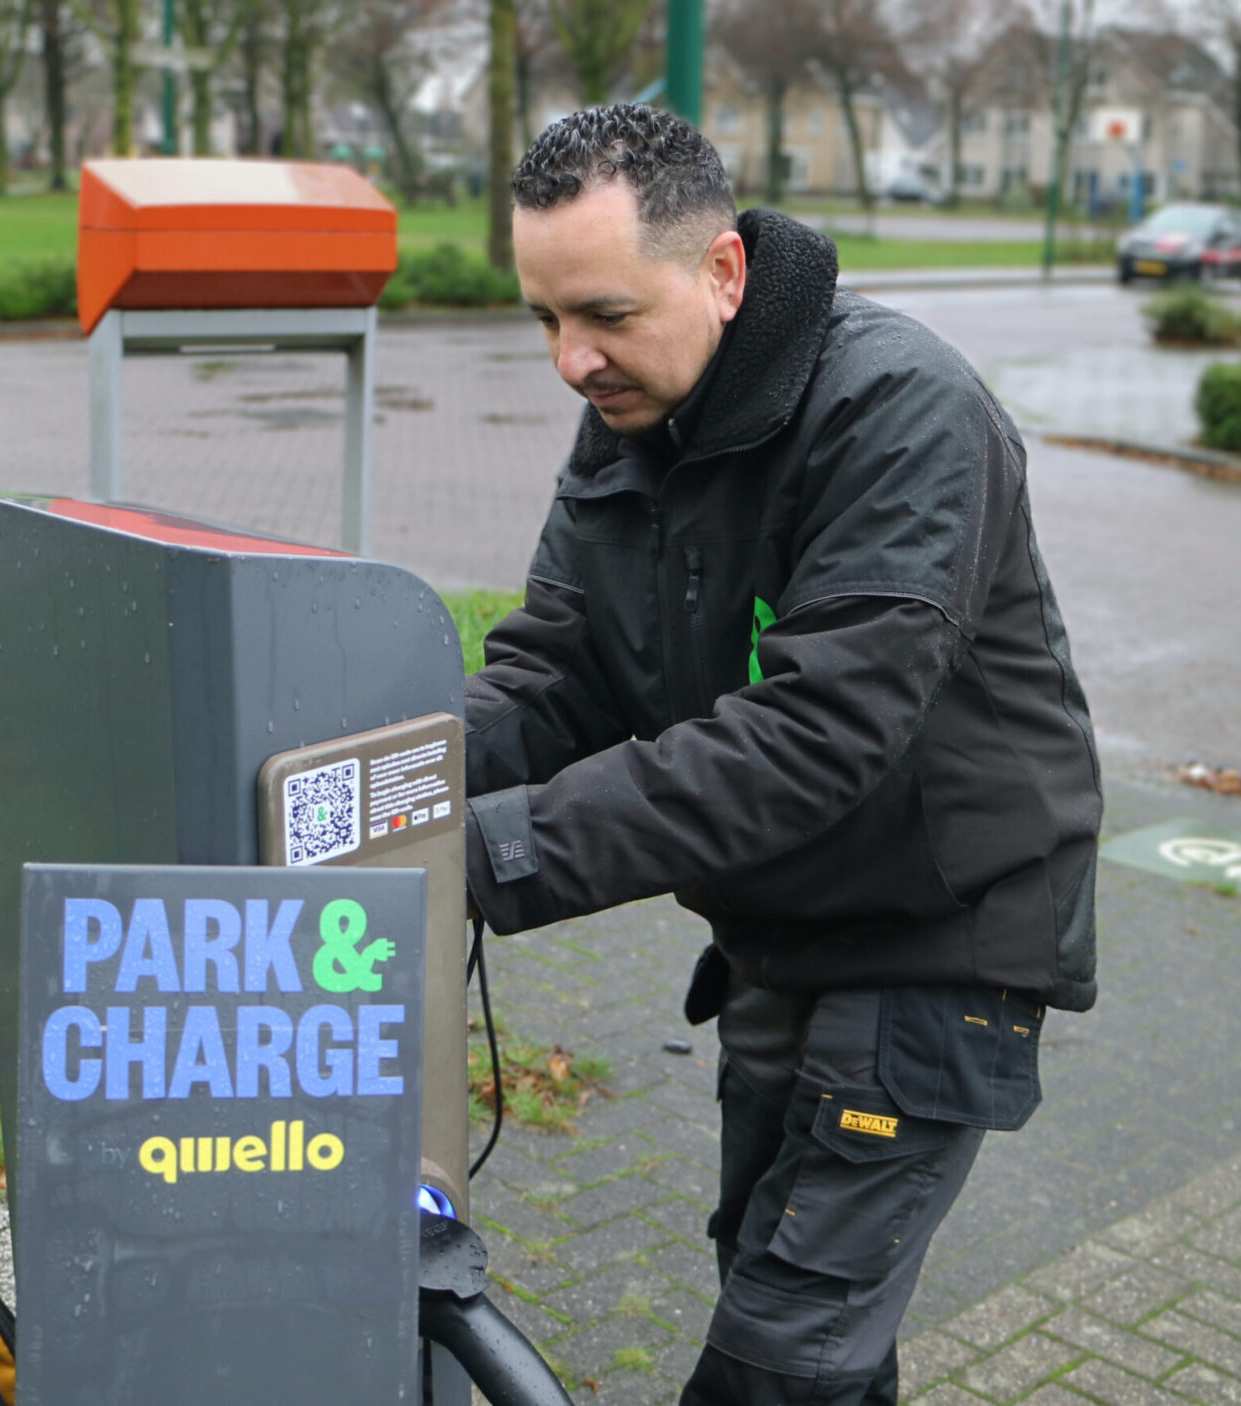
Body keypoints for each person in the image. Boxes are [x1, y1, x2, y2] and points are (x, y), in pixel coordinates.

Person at [461, 104, 1102, 1406]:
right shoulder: (635, 416)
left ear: (723, 271)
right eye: (544, 320)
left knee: (780, 1347)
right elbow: (555, 670)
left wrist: (481, 855)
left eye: (604, 314)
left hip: (943, 934)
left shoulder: (904, 414)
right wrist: (372, 793)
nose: (572, 362)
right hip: (781, 924)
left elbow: (813, 736)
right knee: (773, 1278)